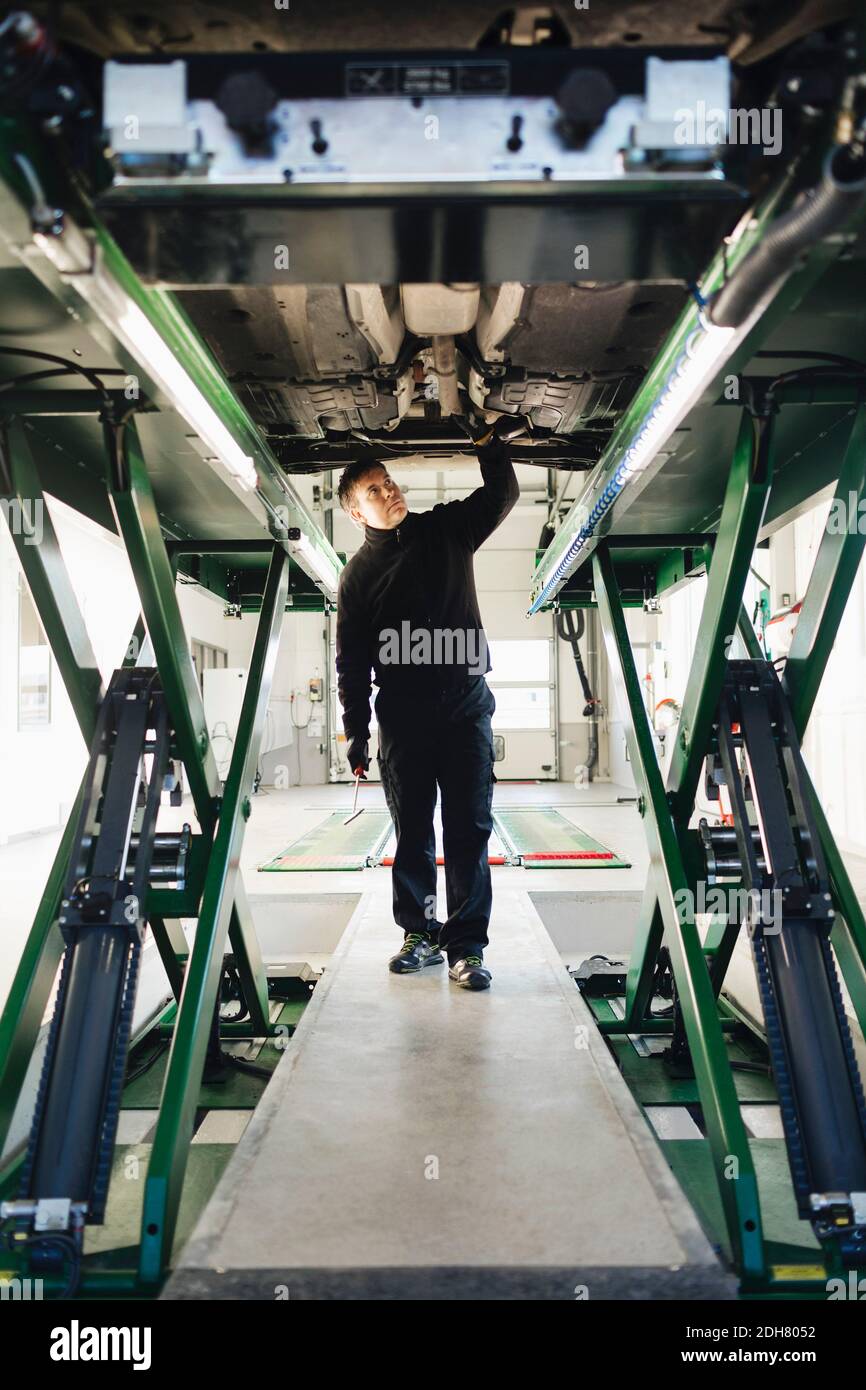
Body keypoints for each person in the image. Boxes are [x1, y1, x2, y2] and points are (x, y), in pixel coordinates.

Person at [335, 418, 522, 990]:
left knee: (469, 828)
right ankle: (420, 933)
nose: (389, 492)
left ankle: (467, 947)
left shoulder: (447, 530)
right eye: (374, 490)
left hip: (466, 706)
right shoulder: (357, 578)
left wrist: (488, 445)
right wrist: (357, 733)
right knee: (412, 828)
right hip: (404, 716)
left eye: (388, 482)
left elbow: (503, 494)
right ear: (355, 512)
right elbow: (352, 663)